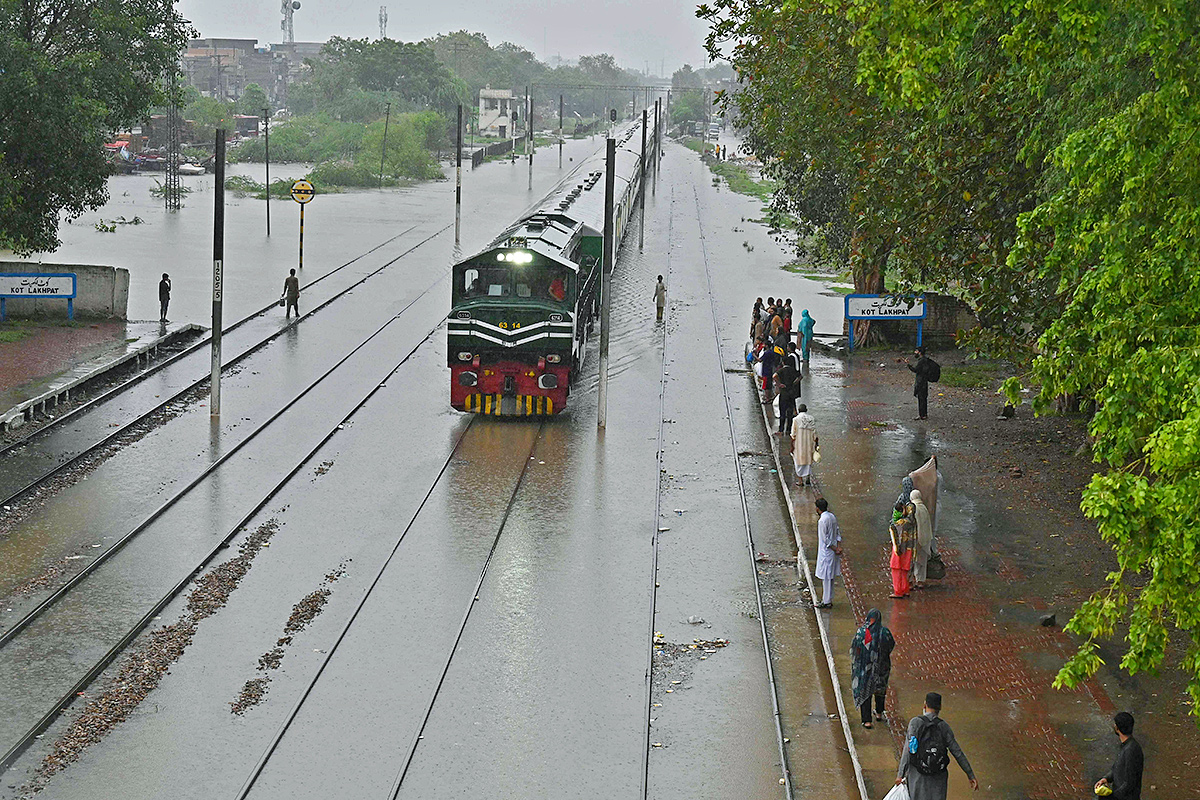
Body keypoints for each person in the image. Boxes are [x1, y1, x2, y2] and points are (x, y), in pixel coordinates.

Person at [897, 692, 978, 797]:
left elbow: (908, 750)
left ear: (925, 705)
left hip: (918, 776)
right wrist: (970, 774)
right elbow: (957, 752)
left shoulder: (915, 723)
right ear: (940, 708)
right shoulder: (944, 727)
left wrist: (900, 774)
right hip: (938, 777)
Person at [850, 609, 895, 728]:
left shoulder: (861, 632)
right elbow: (891, 645)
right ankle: (879, 713)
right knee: (880, 690)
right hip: (882, 668)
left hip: (865, 669)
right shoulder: (885, 632)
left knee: (865, 690)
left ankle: (867, 720)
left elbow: (855, 648)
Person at [1095, 712, 1144, 799]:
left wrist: (1112, 797)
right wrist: (1106, 778)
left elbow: (1129, 783)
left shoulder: (1130, 750)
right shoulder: (1126, 746)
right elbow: (1117, 768)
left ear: (1117, 728)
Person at [814, 497, 841, 608]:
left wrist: (835, 548)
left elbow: (825, 539)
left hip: (826, 552)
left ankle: (826, 601)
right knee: (831, 576)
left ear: (818, 508)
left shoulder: (822, 521)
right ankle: (829, 598)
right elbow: (837, 532)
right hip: (832, 552)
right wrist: (838, 546)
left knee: (826, 577)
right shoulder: (832, 516)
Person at [889, 501, 916, 598]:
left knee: (896, 569)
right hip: (909, 548)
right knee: (905, 570)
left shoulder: (897, 524)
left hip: (899, 549)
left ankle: (898, 591)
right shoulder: (912, 522)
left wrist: (896, 549)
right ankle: (905, 589)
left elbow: (895, 539)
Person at [910, 488, 933, 588]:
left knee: (912, 560)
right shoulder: (924, 508)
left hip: (915, 539)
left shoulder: (912, 508)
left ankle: (910, 581)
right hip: (925, 538)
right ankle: (920, 580)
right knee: (922, 561)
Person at [790, 404, 818, 485]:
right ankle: (808, 477)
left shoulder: (796, 419)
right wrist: (816, 444)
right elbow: (815, 434)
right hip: (809, 443)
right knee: (808, 460)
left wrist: (792, 446)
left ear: (798, 410)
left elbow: (793, 434)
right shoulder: (811, 419)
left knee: (798, 462)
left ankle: (800, 481)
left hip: (799, 444)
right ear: (806, 410)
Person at [908, 346, 934, 420]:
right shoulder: (925, 360)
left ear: (919, 352)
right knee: (924, 398)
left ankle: (922, 415)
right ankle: (924, 414)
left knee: (921, 398)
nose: (915, 352)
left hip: (920, 381)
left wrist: (909, 365)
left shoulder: (921, 361)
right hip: (924, 381)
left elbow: (916, 370)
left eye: (916, 351)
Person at [774, 359, 799, 436]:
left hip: (784, 393)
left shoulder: (781, 370)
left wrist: (779, 384)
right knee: (790, 412)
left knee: (782, 412)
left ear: (783, 362)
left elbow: (774, 376)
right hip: (791, 393)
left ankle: (781, 430)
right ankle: (788, 429)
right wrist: (794, 383)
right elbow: (800, 377)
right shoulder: (793, 370)